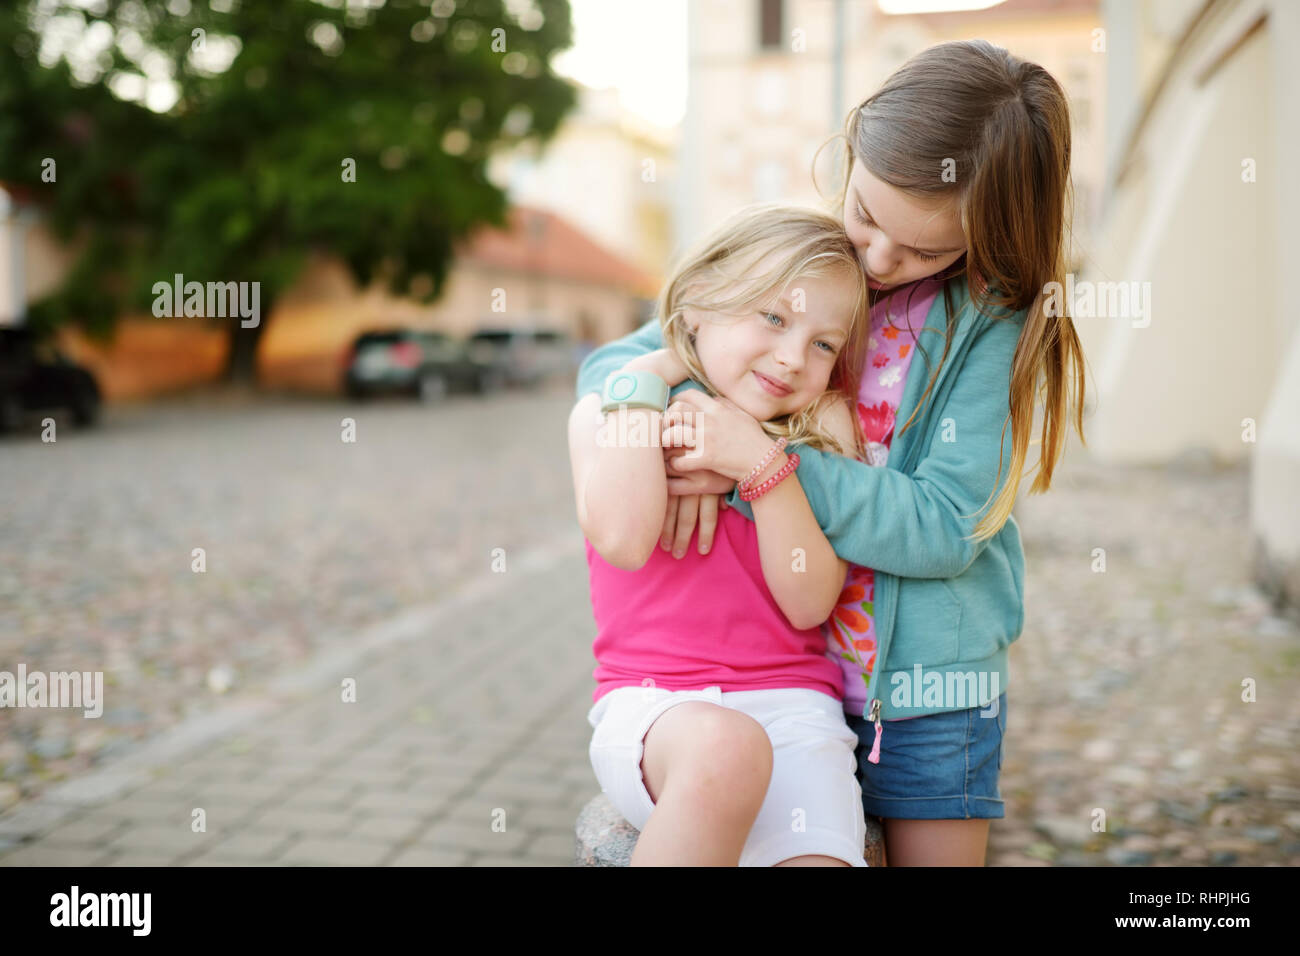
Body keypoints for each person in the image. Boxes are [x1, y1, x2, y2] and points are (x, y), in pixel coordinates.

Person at [571, 39, 1088, 866]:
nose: (878, 261)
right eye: (869, 217)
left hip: (924, 695)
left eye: (923, 250)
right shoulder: (811, 261)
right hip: (787, 674)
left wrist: (757, 464)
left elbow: (947, 524)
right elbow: (636, 355)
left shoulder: (989, 326)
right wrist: (682, 401)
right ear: (850, 158)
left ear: (991, 231)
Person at [568, 204, 874, 866]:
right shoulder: (609, 409)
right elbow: (623, 536)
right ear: (699, 301)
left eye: (824, 343)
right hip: (658, 709)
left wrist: (761, 468)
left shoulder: (821, 434)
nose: (794, 357)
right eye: (773, 317)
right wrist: (648, 380)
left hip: (795, 711)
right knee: (726, 748)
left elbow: (808, 603)